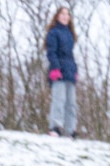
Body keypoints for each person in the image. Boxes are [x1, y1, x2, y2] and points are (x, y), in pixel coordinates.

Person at [45, 6, 78, 138]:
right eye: (62, 14)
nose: (65, 16)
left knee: (71, 103)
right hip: (58, 71)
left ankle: (71, 130)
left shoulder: (70, 34)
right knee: (59, 100)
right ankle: (56, 127)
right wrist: (55, 68)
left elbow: (70, 55)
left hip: (69, 71)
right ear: (57, 16)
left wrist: (74, 70)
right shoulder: (53, 33)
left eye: (67, 14)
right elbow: (51, 52)